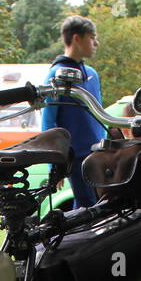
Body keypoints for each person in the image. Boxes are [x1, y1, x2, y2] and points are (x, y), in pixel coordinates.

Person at [40, 15, 103, 209]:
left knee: (101, 205)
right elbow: (48, 121)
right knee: (86, 206)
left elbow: (99, 113)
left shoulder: (92, 73)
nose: (96, 43)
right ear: (77, 38)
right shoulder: (56, 74)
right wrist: (54, 165)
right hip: (76, 157)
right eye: (92, 37)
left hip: (99, 153)